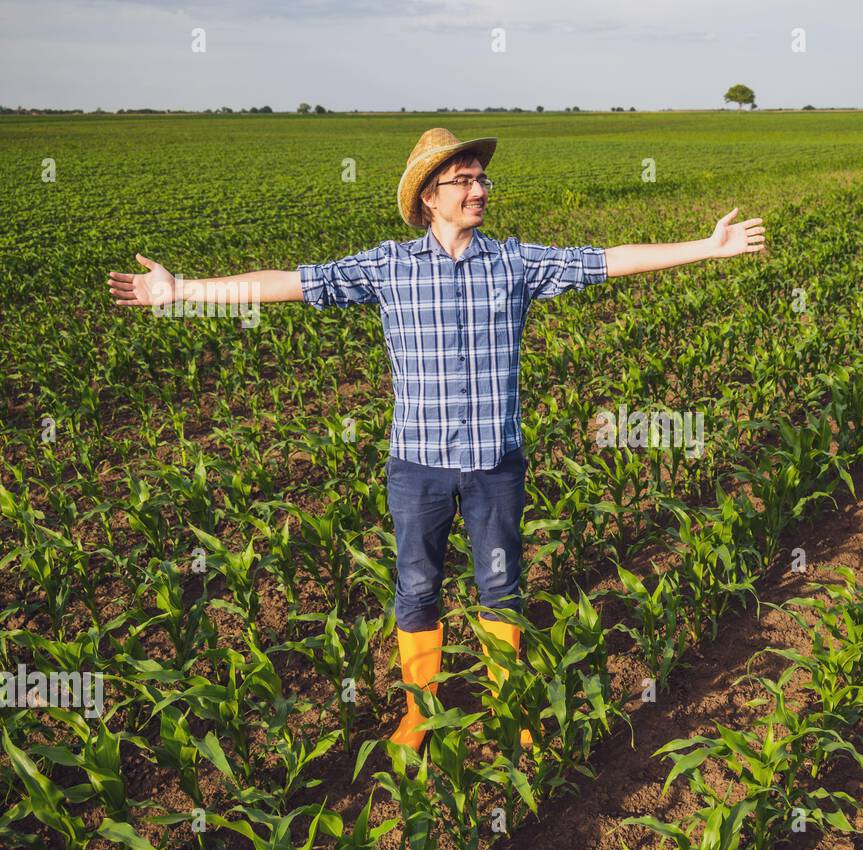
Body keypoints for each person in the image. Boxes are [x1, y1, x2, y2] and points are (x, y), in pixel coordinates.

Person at [107, 127, 766, 751]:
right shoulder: (389, 268)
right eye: (464, 180)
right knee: (418, 587)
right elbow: (290, 283)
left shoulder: (515, 263)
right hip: (417, 468)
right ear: (430, 196)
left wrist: (704, 248)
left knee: (500, 587)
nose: (479, 190)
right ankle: (419, 712)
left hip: (494, 466)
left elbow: (606, 261)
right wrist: (182, 289)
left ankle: (510, 711)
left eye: (481, 179)